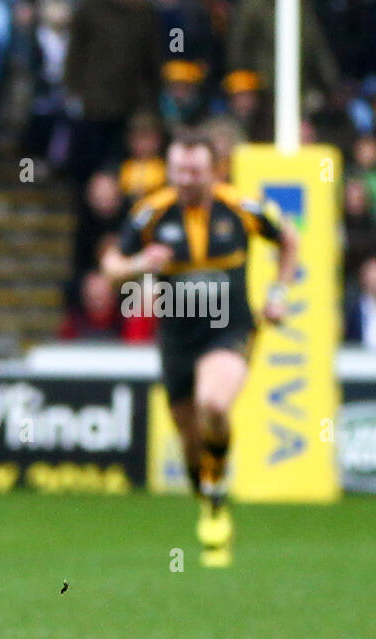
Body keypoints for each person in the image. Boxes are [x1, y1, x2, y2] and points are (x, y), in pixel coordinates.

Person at [101, 130, 298, 567]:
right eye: (179, 170)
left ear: (215, 170)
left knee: (213, 403)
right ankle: (210, 497)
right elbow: (111, 266)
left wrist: (279, 293)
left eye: (195, 170)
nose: (186, 178)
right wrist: (137, 266)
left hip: (229, 329)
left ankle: (217, 486)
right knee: (188, 438)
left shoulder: (242, 208)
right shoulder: (152, 212)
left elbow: (290, 241)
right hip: (176, 338)